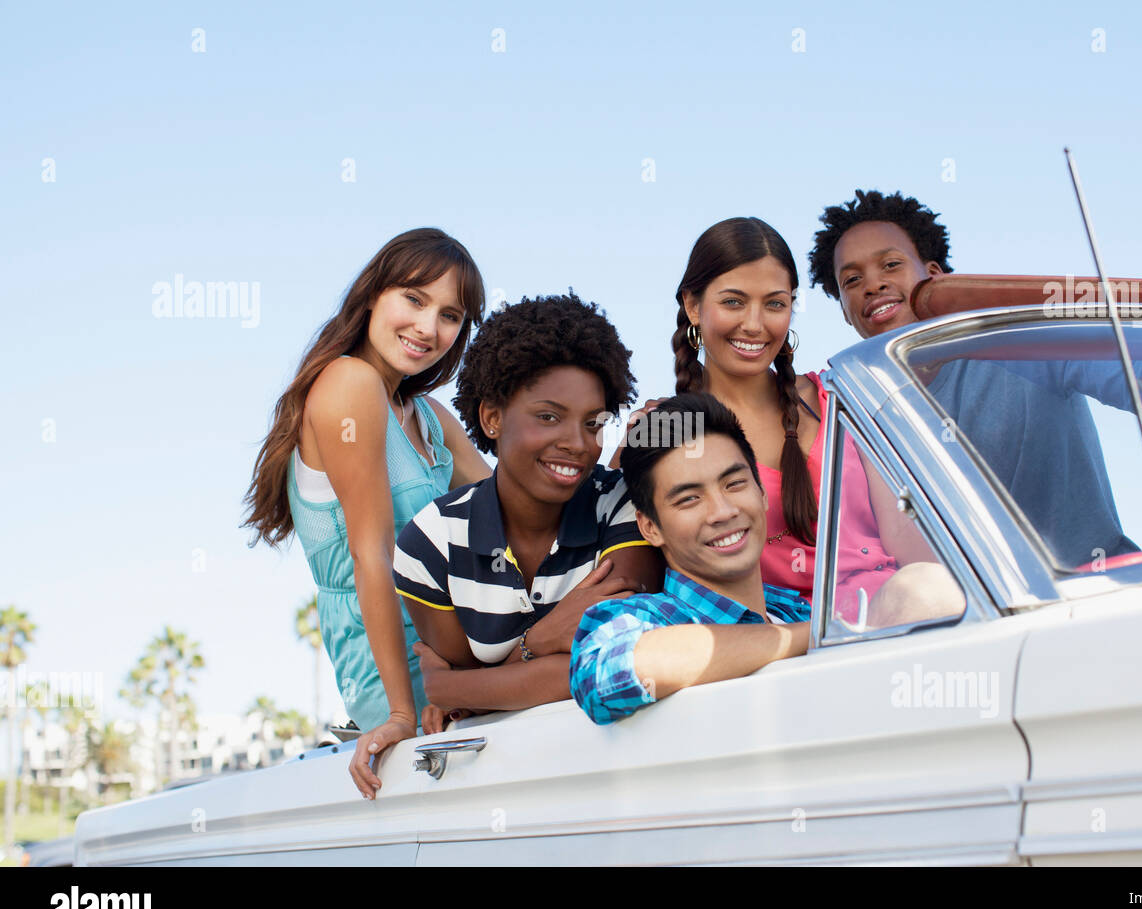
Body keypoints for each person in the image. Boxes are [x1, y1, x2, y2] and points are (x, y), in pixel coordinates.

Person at [807, 189, 1142, 566]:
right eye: (851, 280)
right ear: (847, 310)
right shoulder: (851, 406)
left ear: (934, 274)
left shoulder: (1021, 341)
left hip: (1093, 594)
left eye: (891, 264)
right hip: (952, 629)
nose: (872, 283)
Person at [387, 294, 665, 789]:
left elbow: (617, 655)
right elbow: (470, 709)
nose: (579, 443)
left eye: (593, 422)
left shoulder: (622, 504)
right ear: (492, 417)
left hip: (624, 766)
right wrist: (520, 661)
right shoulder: (429, 545)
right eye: (549, 417)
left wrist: (458, 685)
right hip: (501, 786)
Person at [242, 228, 492, 779]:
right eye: (415, 299)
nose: (429, 327)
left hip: (454, 646)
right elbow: (371, 555)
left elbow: (514, 512)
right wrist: (401, 712)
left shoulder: (427, 414)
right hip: (394, 668)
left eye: (450, 315)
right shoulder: (348, 384)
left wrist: (617, 464)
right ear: (374, 294)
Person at [644, 216, 957, 623]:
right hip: (781, 640)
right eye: (733, 302)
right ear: (693, 306)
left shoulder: (845, 394)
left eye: (774, 304)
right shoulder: (667, 431)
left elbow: (908, 536)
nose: (754, 325)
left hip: (900, 614)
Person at [571, 393, 811, 725]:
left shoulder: (797, 611)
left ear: (761, 491)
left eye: (734, 483)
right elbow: (601, 674)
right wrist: (808, 637)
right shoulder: (648, 619)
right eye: (689, 499)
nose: (723, 512)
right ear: (651, 527)